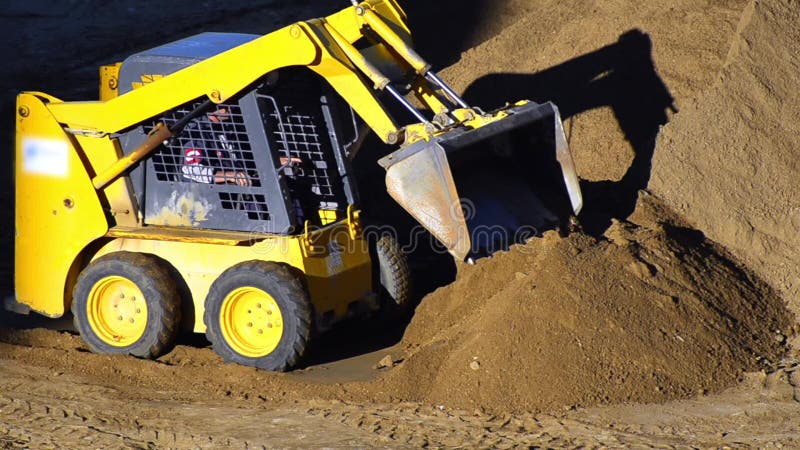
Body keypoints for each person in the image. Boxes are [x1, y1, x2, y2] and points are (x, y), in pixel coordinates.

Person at [181, 107, 252, 186]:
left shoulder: (231, 126)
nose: (227, 110)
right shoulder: (196, 132)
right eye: (224, 107)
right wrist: (231, 176)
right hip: (202, 192)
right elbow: (193, 171)